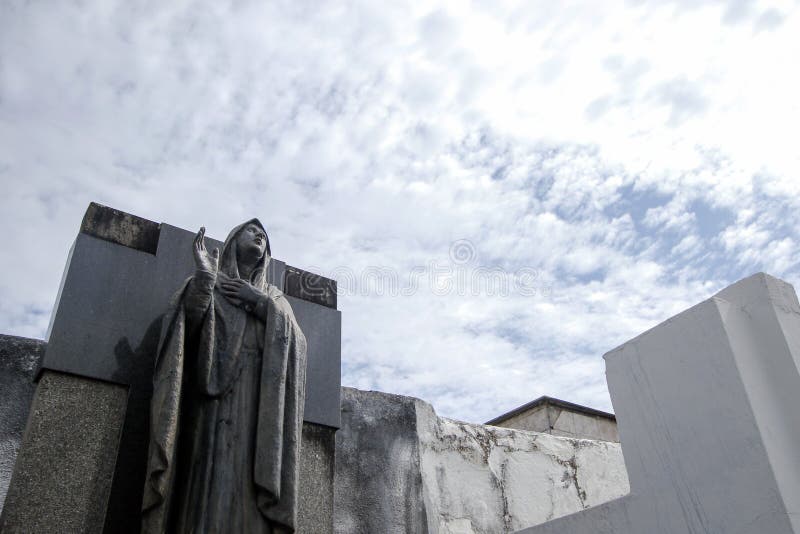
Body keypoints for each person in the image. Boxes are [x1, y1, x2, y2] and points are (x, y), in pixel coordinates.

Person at [141, 220, 307, 534]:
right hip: (211, 407)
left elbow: (297, 343)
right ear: (232, 242)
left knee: (247, 490)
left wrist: (258, 302)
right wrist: (204, 280)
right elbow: (184, 335)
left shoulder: (274, 298)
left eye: (263, 235)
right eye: (251, 230)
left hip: (259, 411)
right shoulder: (211, 284)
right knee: (210, 478)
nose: (259, 235)